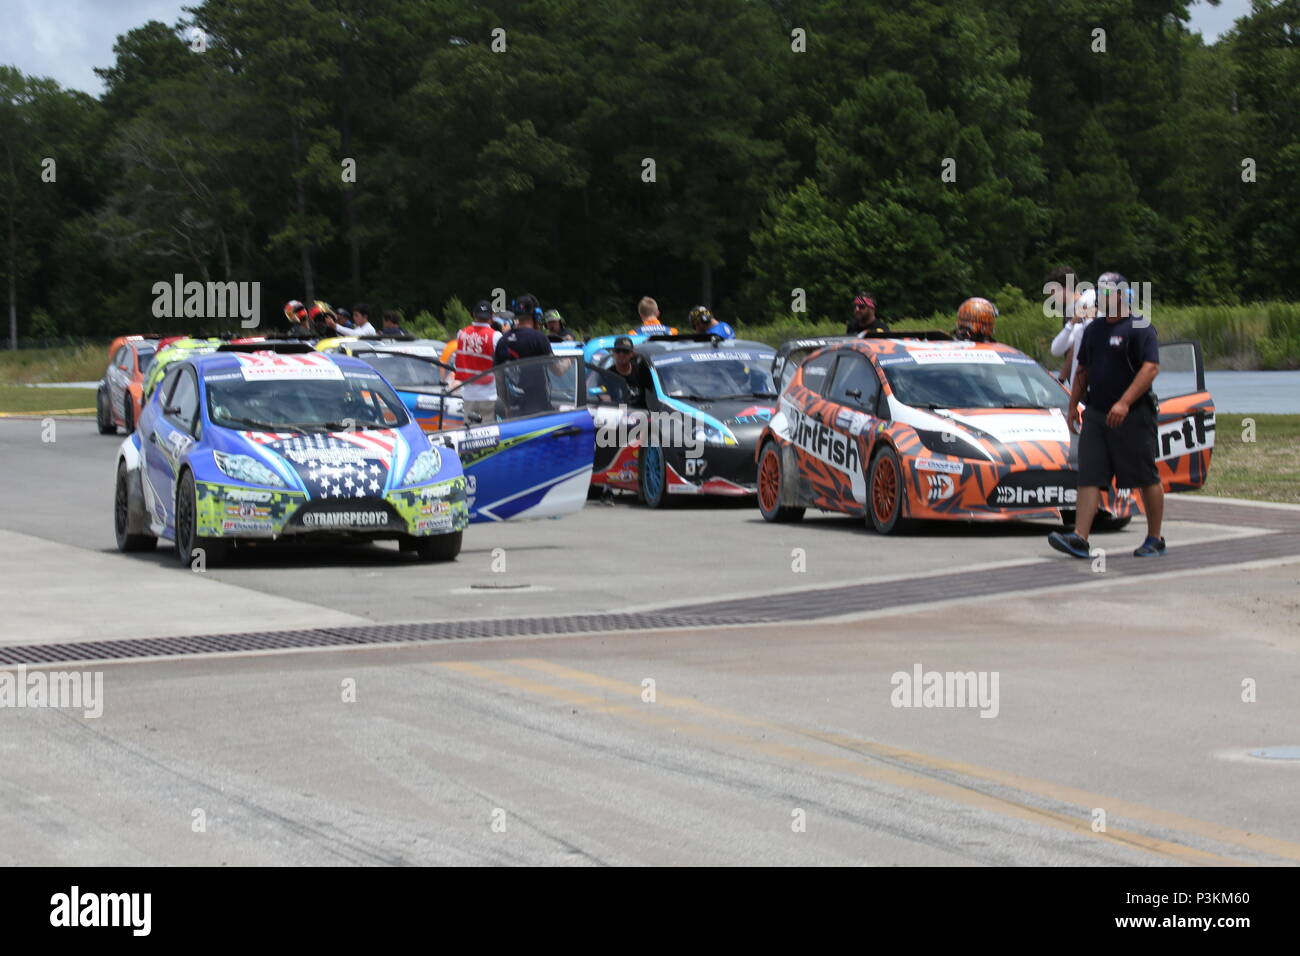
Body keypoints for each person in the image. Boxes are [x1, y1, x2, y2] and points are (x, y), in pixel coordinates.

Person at [1048, 272, 1166, 559]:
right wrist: (1072, 408)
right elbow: (1083, 371)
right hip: (1097, 414)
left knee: (1145, 475)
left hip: (1133, 415)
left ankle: (1155, 538)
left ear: (1125, 295)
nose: (1101, 298)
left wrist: (1125, 402)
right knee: (1089, 474)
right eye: (1099, 292)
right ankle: (1080, 538)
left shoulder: (1140, 327)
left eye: (1108, 292)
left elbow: (1150, 368)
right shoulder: (1094, 330)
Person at [494, 303, 555, 415]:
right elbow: (557, 371)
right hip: (538, 407)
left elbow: (499, 379)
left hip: (514, 407)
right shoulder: (539, 338)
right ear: (535, 317)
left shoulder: (502, 341)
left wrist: (506, 406)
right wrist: (568, 362)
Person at [454, 301, 503, 423]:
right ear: (491, 318)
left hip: (468, 394)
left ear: (473, 315)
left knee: (469, 433)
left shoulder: (461, 334)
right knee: (486, 434)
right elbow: (502, 365)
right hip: (488, 395)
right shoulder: (495, 336)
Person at [1050, 287, 1096, 387]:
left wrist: (1061, 378)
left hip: (1084, 383)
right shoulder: (1079, 327)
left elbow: (1074, 347)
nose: (1051, 296)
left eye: (1052, 291)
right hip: (1079, 382)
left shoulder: (1073, 307)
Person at [593, 336, 655, 408]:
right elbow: (604, 396)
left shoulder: (641, 371)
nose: (621, 354)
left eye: (625, 351)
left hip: (642, 414)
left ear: (632, 354)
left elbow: (654, 391)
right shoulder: (606, 375)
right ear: (613, 352)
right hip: (618, 414)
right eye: (618, 351)